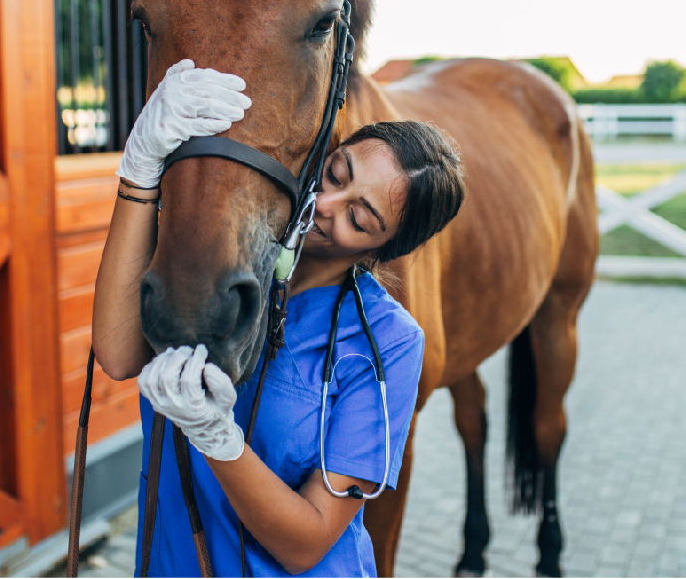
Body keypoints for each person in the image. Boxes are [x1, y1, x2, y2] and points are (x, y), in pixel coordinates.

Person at [92, 60, 465, 577]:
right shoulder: (217, 259)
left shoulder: (389, 345)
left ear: (383, 248)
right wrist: (139, 169)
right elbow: (115, 352)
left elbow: (307, 543)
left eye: (359, 218)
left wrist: (220, 439)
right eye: (336, 172)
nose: (327, 203)